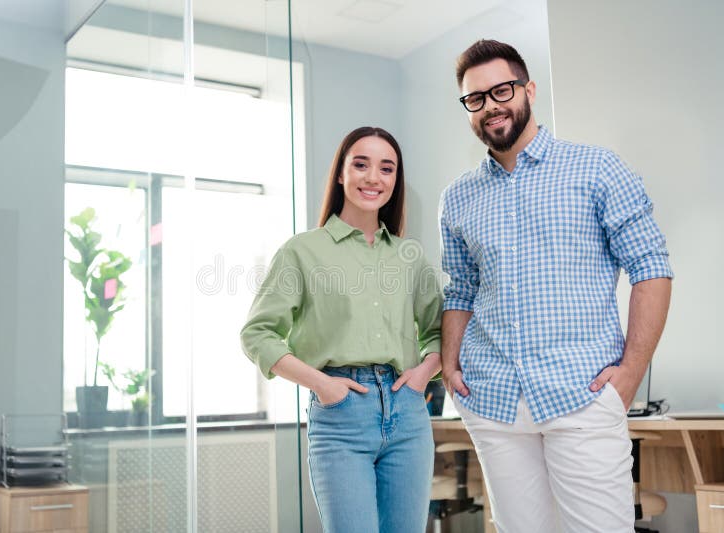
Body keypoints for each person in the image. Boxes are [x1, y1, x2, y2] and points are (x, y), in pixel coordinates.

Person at [439, 39, 673, 532]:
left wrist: (630, 374)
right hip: (495, 400)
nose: (490, 107)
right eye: (475, 99)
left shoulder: (597, 168)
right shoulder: (458, 198)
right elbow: (461, 288)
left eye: (501, 90)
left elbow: (651, 267)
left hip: (582, 394)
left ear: (528, 89)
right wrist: (449, 365)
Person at [241, 126, 443, 533]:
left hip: (408, 414)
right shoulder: (302, 250)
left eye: (387, 168)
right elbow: (257, 333)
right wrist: (321, 384)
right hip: (340, 414)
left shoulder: (410, 256)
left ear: (395, 181)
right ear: (340, 173)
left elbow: (439, 333)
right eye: (361, 164)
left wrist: (423, 374)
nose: (374, 177)